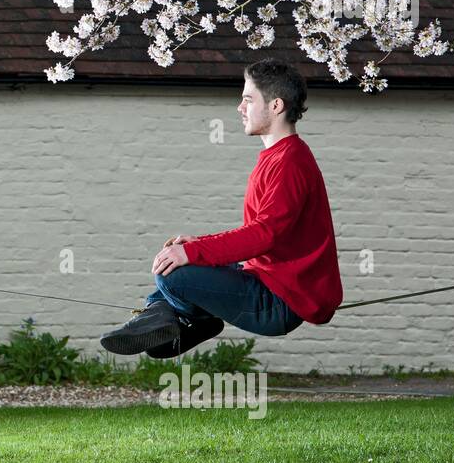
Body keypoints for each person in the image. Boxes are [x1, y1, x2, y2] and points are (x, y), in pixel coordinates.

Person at [100, 58, 343, 358]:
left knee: (172, 275)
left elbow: (265, 235)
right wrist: (197, 246)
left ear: (276, 105)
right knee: (175, 264)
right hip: (265, 279)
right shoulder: (278, 157)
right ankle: (168, 315)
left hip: (280, 301)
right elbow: (258, 233)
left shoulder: (289, 163)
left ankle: (184, 317)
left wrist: (193, 252)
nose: (240, 108)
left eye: (248, 99)